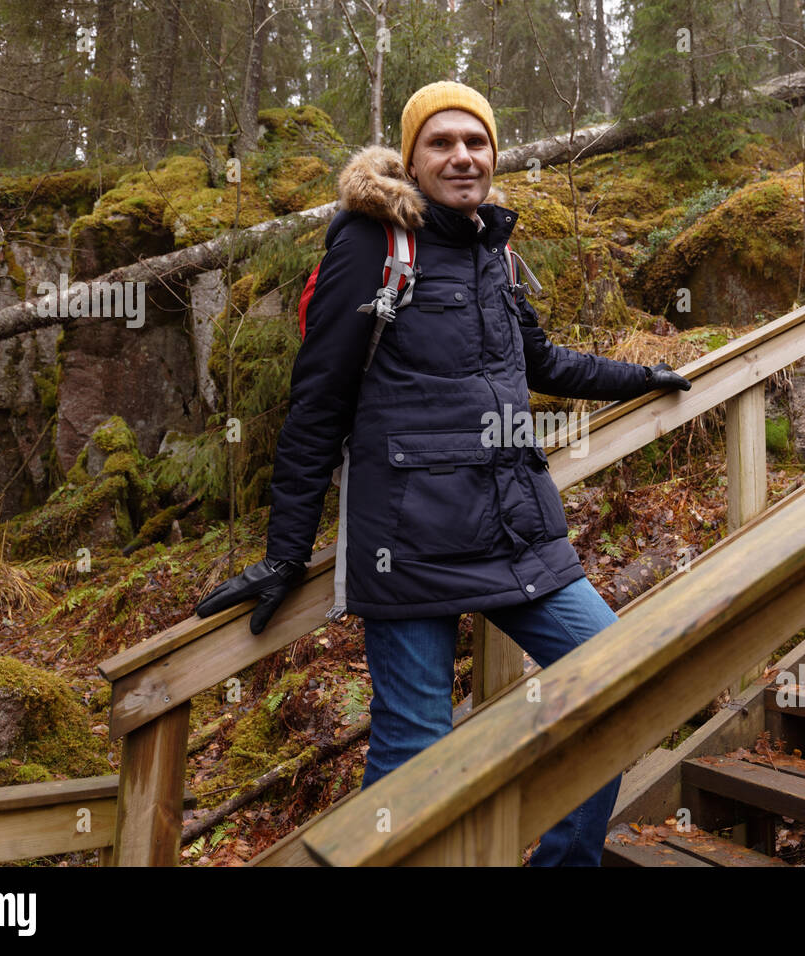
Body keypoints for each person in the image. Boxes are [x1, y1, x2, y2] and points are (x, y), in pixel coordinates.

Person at [196, 81, 690, 865]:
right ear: (412, 157)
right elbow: (319, 400)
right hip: (407, 536)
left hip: (515, 520)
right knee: (414, 747)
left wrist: (641, 377)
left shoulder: (491, 244)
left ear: (494, 154)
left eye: (477, 142)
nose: (463, 156)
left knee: (611, 679)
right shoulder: (371, 243)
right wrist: (286, 554)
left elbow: (540, 359)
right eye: (442, 143)